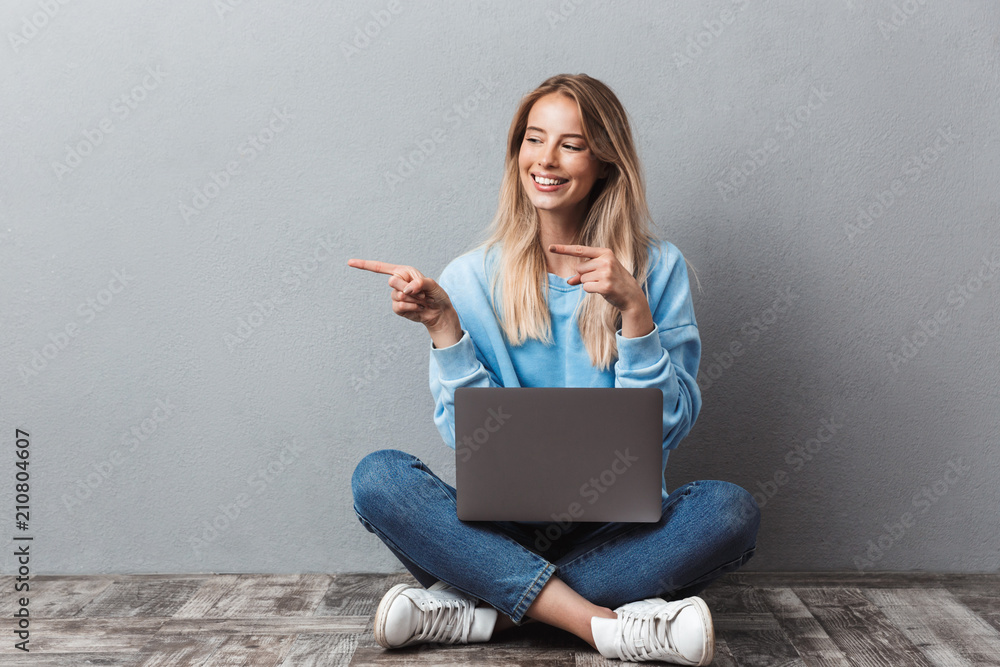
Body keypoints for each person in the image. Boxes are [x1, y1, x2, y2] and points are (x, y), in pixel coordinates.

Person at [348, 73, 760, 665]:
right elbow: (467, 438)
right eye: (533, 140)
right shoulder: (469, 277)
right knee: (379, 478)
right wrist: (444, 328)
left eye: (571, 144)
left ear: (605, 162)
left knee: (729, 511)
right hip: (498, 531)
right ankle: (600, 623)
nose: (545, 159)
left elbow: (665, 429)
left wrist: (636, 316)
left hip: (620, 535)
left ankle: (482, 609)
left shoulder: (657, 270)